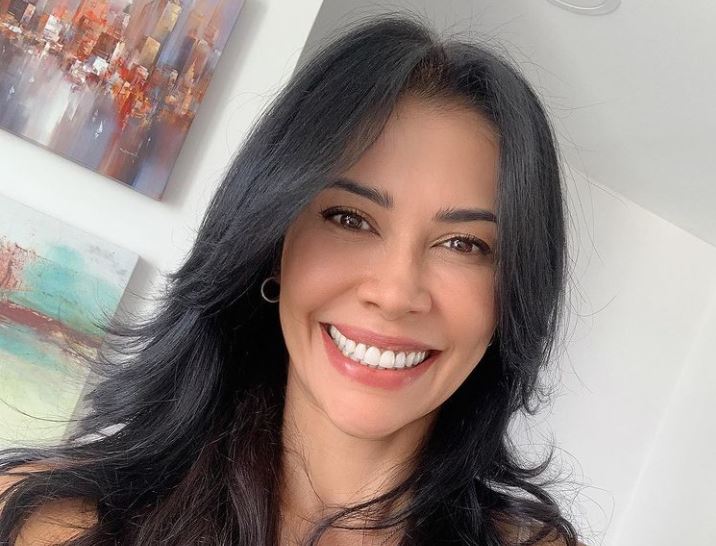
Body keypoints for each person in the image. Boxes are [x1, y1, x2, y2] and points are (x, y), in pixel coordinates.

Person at [0, 14, 580, 546]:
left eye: (464, 244)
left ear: (512, 296)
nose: (395, 293)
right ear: (273, 243)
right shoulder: (50, 525)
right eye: (349, 219)